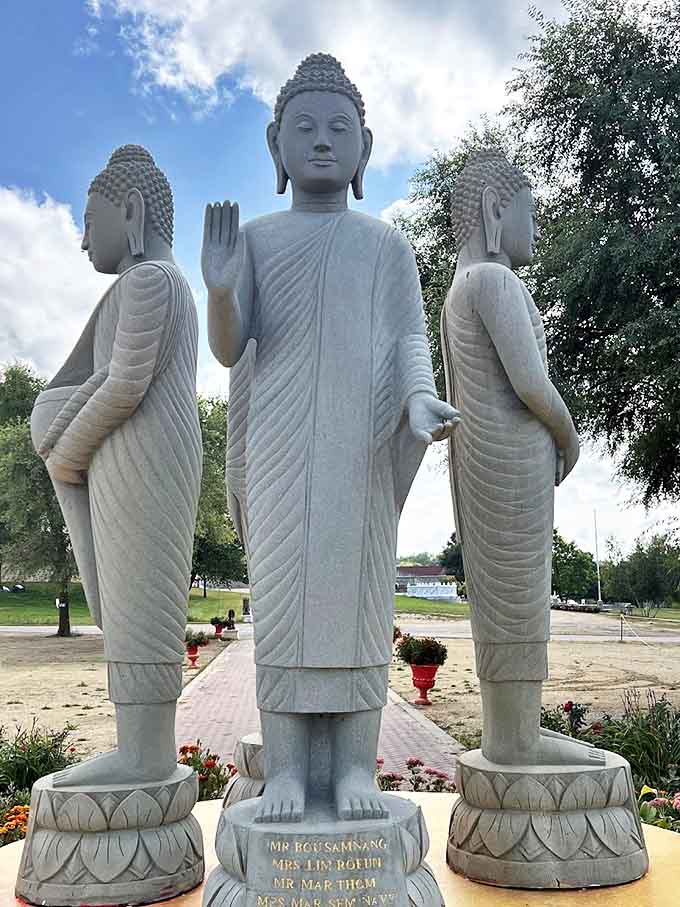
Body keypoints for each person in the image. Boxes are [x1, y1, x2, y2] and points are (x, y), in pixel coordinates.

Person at [203, 54, 459, 822]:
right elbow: (230, 346)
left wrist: (419, 399)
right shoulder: (256, 238)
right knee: (282, 608)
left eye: (338, 129)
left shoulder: (386, 247)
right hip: (280, 448)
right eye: (304, 128)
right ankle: (285, 772)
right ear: (275, 145)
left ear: (365, 150)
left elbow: (410, 337)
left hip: (360, 449)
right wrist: (220, 287)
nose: (322, 142)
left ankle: (353, 768)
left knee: (355, 605)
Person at [30, 145, 202, 787]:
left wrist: (65, 455)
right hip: (134, 450)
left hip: (143, 452)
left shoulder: (150, 281)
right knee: (124, 600)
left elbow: (127, 381)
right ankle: (139, 746)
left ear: (129, 211)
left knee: (140, 598)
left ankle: (145, 753)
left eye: (89, 220)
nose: (82, 241)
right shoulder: (152, 282)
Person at [441, 148, 602, 766]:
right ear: (492, 208)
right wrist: (567, 434)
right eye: (529, 213)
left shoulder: (464, 287)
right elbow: (531, 383)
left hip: (492, 461)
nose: (536, 230)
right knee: (517, 592)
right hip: (508, 461)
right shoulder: (493, 280)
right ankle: (515, 739)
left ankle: (514, 733)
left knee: (511, 593)